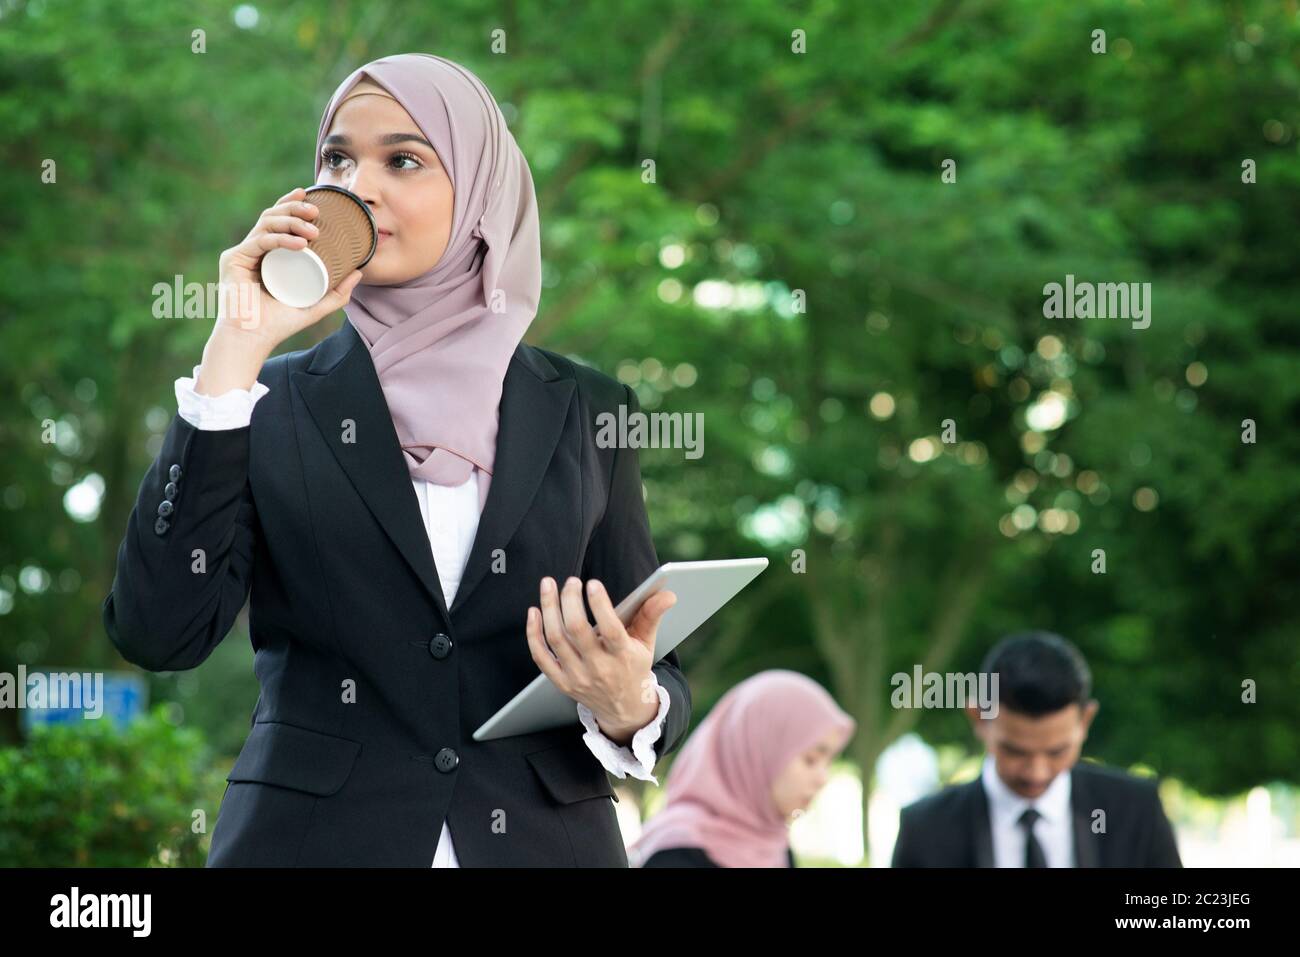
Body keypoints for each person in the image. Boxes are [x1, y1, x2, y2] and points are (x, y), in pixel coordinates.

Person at [102, 53, 692, 867]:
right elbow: (155, 630)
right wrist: (232, 350)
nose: (358, 186)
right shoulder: (260, 398)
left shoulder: (589, 410)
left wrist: (633, 701)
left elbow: (649, 651)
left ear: (481, 193)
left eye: (403, 160)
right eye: (337, 158)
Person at [891, 631, 1182, 867]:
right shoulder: (927, 830)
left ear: (1085, 721)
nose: (1036, 772)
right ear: (978, 718)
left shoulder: (1135, 812)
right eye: (1015, 751)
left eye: (1057, 752)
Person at [629, 670, 855, 867]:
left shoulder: (772, 846)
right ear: (757, 755)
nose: (822, 778)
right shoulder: (677, 855)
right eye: (811, 759)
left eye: (829, 761)